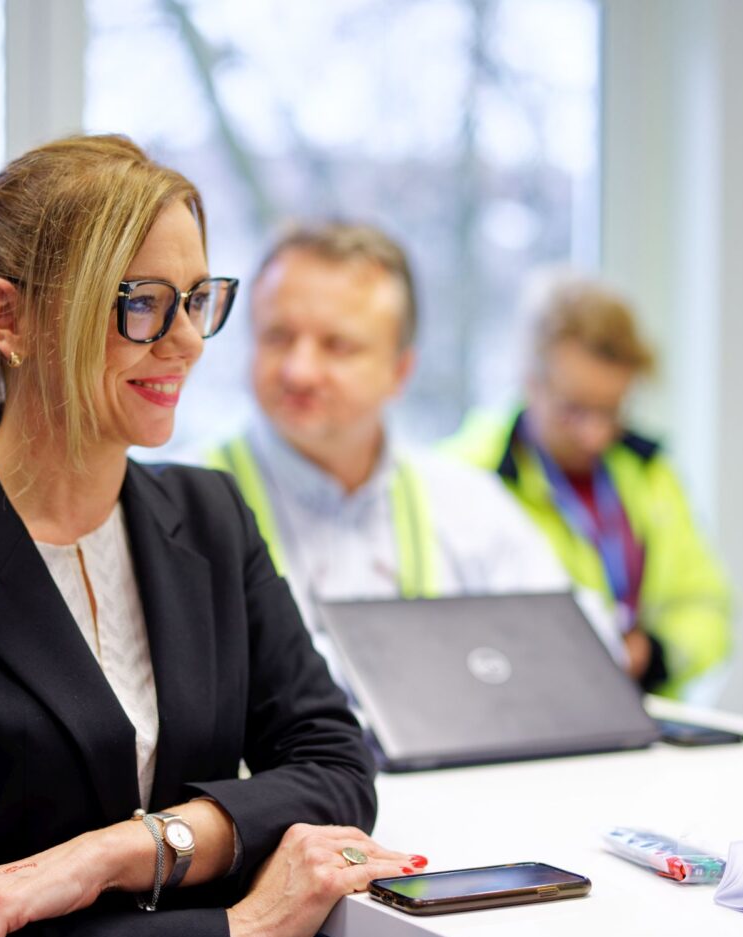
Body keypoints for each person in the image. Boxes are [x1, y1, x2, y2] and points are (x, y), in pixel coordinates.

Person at [0, 136, 423, 937]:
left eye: (196, 301)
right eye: (140, 304)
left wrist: (111, 854)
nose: (186, 342)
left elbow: (334, 764)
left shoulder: (209, 516)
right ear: (5, 318)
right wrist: (238, 935)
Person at [206, 223, 586, 644]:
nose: (300, 371)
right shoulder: (178, 509)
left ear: (400, 371)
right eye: (277, 337)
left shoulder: (471, 510)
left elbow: (575, 651)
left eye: (337, 345)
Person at [446, 273, 733, 699]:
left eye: (612, 411)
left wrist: (651, 655)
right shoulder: (466, 478)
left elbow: (706, 608)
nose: (595, 435)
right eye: (574, 411)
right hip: (514, 708)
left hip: (636, 706)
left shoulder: (649, 473)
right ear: (531, 382)